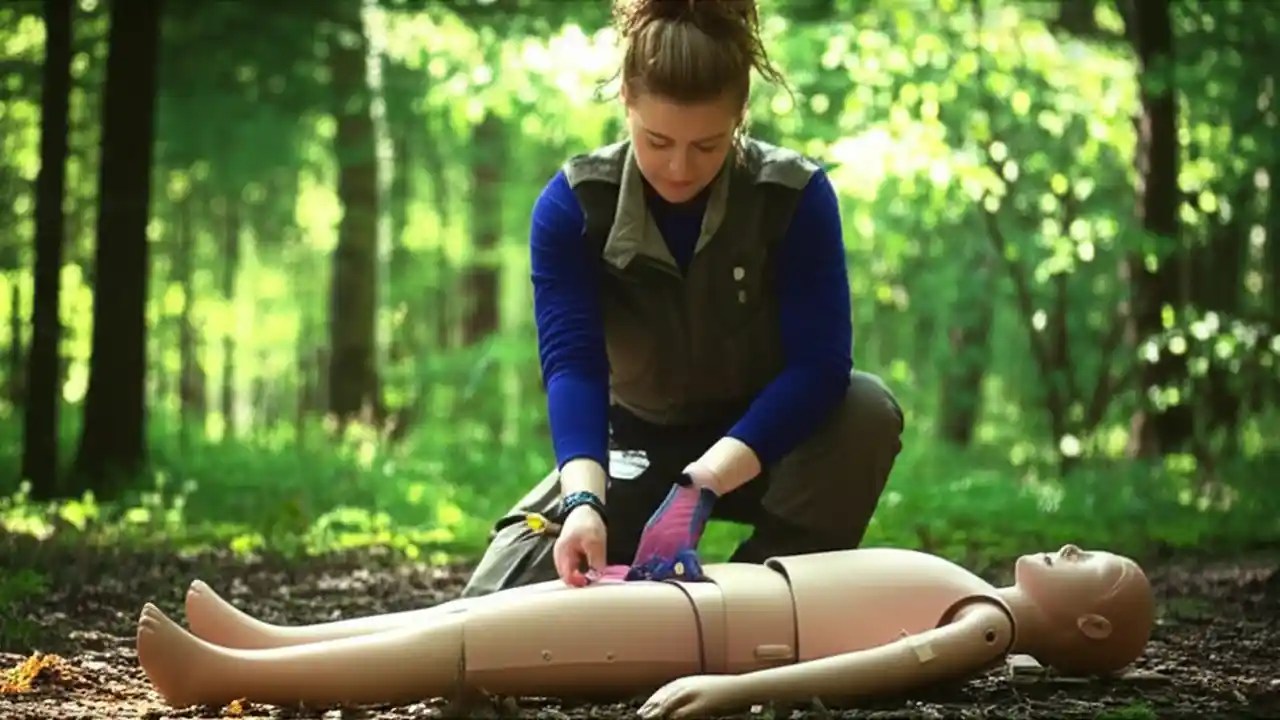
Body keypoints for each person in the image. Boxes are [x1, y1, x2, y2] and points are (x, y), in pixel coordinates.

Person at [461, 0, 905, 596]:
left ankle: (765, 585)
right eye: (658, 139)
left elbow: (820, 368)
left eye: (707, 146)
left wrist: (706, 479)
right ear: (626, 100)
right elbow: (574, 367)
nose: (677, 168)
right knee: (499, 594)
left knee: (867, 411)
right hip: (634, 447)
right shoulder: (574, 206)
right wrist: (586, 501)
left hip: (767, 441)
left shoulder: (793, 197)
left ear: (741, 115)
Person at [134, 543, 1157, 718]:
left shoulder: (978, 625)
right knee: (476, 613)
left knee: (469, 652)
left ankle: (225, 677)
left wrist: (735, 690)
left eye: (1089, 569)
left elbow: (876, 671)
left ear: (1091, 621)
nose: (1069, 551)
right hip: (706, 589)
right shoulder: (973, 589)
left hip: (715, 635)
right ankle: (264, 642)